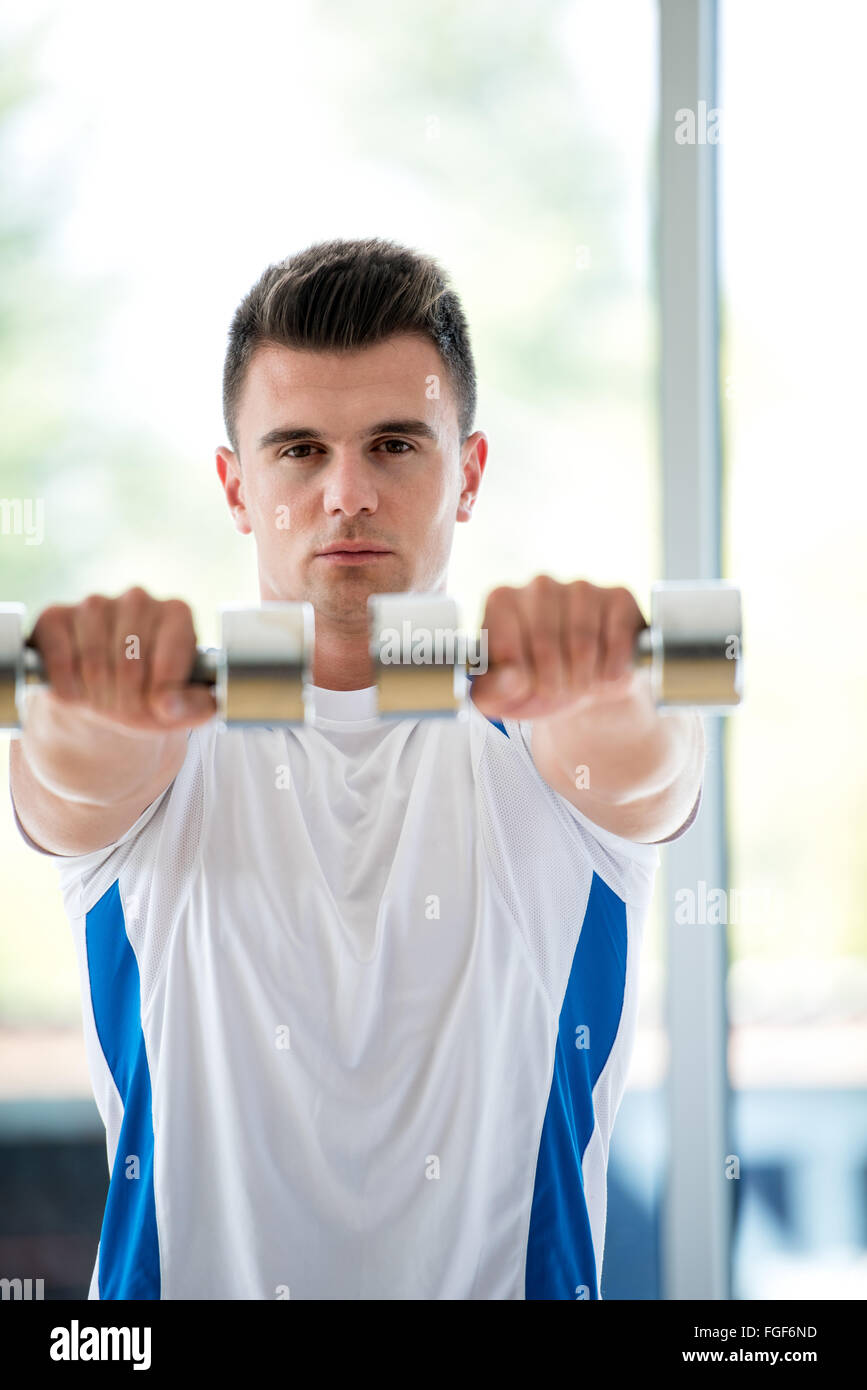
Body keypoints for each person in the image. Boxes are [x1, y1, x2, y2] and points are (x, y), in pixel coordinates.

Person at [8, 236, 704, 1300]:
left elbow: (647, 752)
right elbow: (71, 773)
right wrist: (84, 694)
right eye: (297, 450)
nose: (347, 495)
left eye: (393, 444)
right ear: (236, 486)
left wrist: (606, 674)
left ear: (466, 473)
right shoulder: (150, 735)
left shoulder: (559, 736)